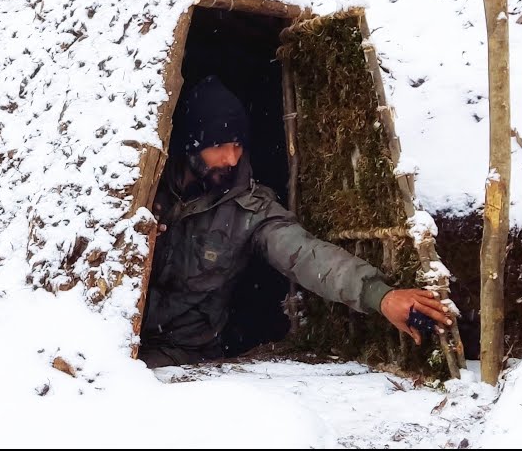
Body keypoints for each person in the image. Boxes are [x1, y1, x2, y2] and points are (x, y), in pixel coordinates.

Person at [139, 75, 453, 368]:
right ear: (192, 145)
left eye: (238, 145)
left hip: (186, 355)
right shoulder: (144, 190)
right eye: (220, 146)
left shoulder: (252, 209)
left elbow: (305, 254)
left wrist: (380, 296)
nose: (232, 159)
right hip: (120, 339)